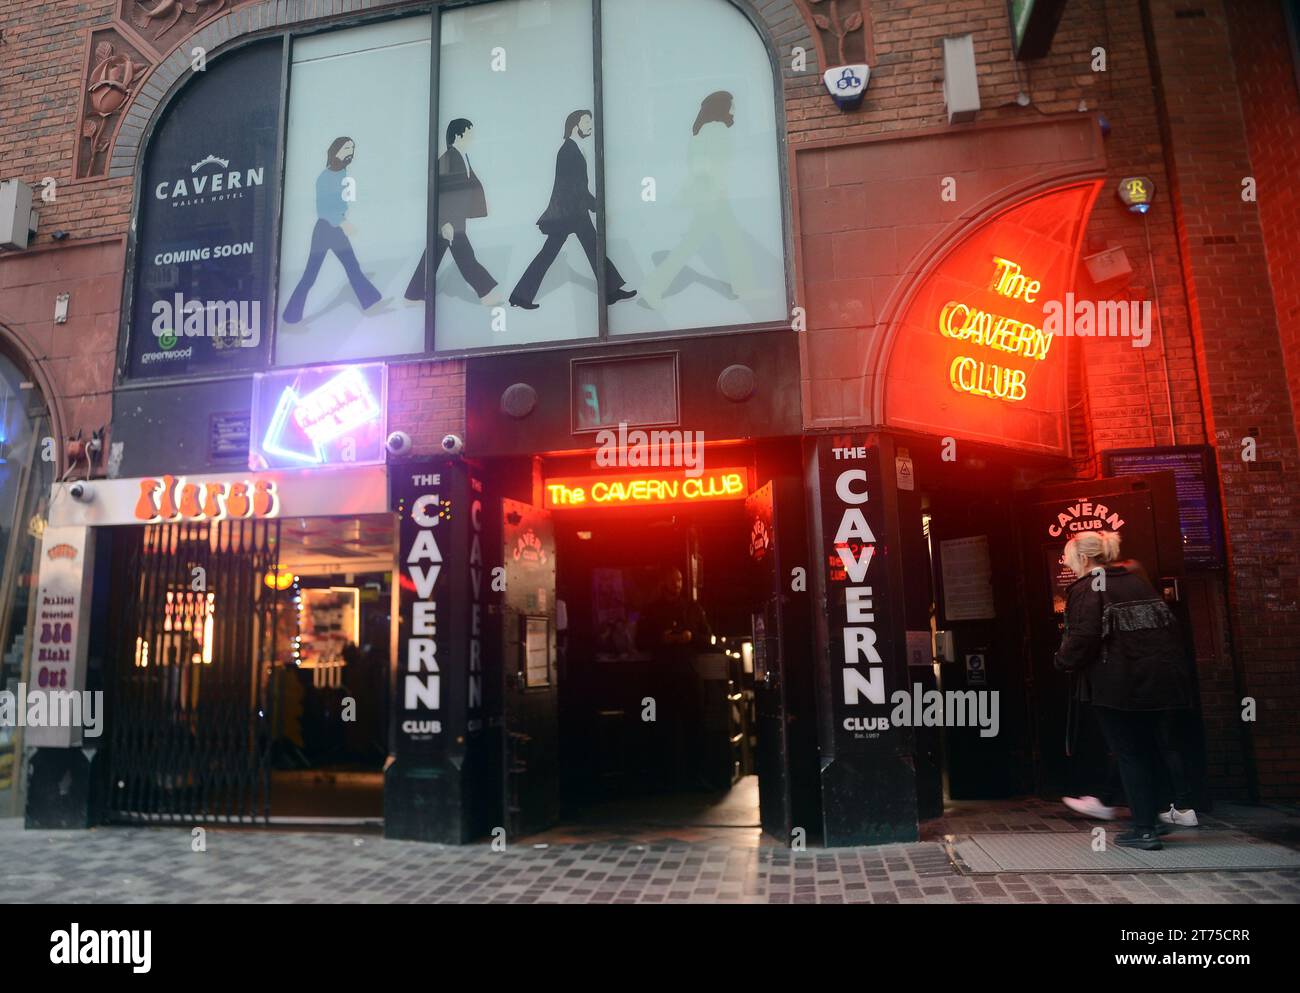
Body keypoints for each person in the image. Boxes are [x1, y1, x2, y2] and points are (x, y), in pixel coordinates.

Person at [1054, 530, 1196, 850]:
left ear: (1085, 558)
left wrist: (1062, 660)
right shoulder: (1135, 581)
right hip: (1161, 681)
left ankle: (1144, 830)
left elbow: (1083, 637)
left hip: (1117, 684)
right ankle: (1155, 822)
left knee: (1128, 753)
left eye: (1070, 556)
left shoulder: (1088, 586)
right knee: (1147, 751)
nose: (1068, 562)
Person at [639, 91, 757, 311]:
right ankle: (653, 287)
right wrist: (718, 189)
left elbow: (696, 165)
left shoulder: (701, 132)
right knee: (704, 244)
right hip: (714, 197)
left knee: (718, 242)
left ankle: (744, 286)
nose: (732, 111)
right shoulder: (717, 130)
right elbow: (713, 167)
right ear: (720, 108)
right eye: (730, 106)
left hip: (708, 197)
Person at [509, 109, 636, 310]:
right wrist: (597, 206)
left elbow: (577, 188)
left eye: (590, 123)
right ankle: (519, 296)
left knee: (591, 249)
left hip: (574, 213)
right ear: (575, 125)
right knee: (553, 253)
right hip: (569, 214)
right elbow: (573, 187)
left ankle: (610, 292)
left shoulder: (573, 149)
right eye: (586, 122)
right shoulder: (568, 151)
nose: (590, 126)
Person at [282, 136, 383, 324]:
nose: (350, 152)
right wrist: (343, 222)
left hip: (335, 229)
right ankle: (291, 316)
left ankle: (371, 301)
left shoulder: (342, 173)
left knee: (352, 266)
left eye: (351, 148)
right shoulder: (325, 177)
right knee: (310, 276)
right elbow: (324, 209)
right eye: (346, 149)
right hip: (325, 230)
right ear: (335, 151)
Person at [404, 119, 502, 306]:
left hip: (453, 219)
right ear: (458, 135)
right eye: (469, 133)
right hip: (449, 221)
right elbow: (441, 194)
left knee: (433, 256)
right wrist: (444, 222)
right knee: (466, 257)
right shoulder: (449, 159)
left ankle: (413, 295)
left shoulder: (461, 157)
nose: (472, 138)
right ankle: (486, 292)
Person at [636, 566, 713, 790]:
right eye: (672, 579)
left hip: (688, 674)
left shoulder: (692, 608)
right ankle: (665, 778)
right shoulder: (651, 610)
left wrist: (691, 636)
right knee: (662, 728)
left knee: (694, 727)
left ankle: (695, 777)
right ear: (663, 582)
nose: (677, 584)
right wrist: (662, 639)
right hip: (662, 677)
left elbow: (707, 639)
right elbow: (639, 642)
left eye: (679, 579)